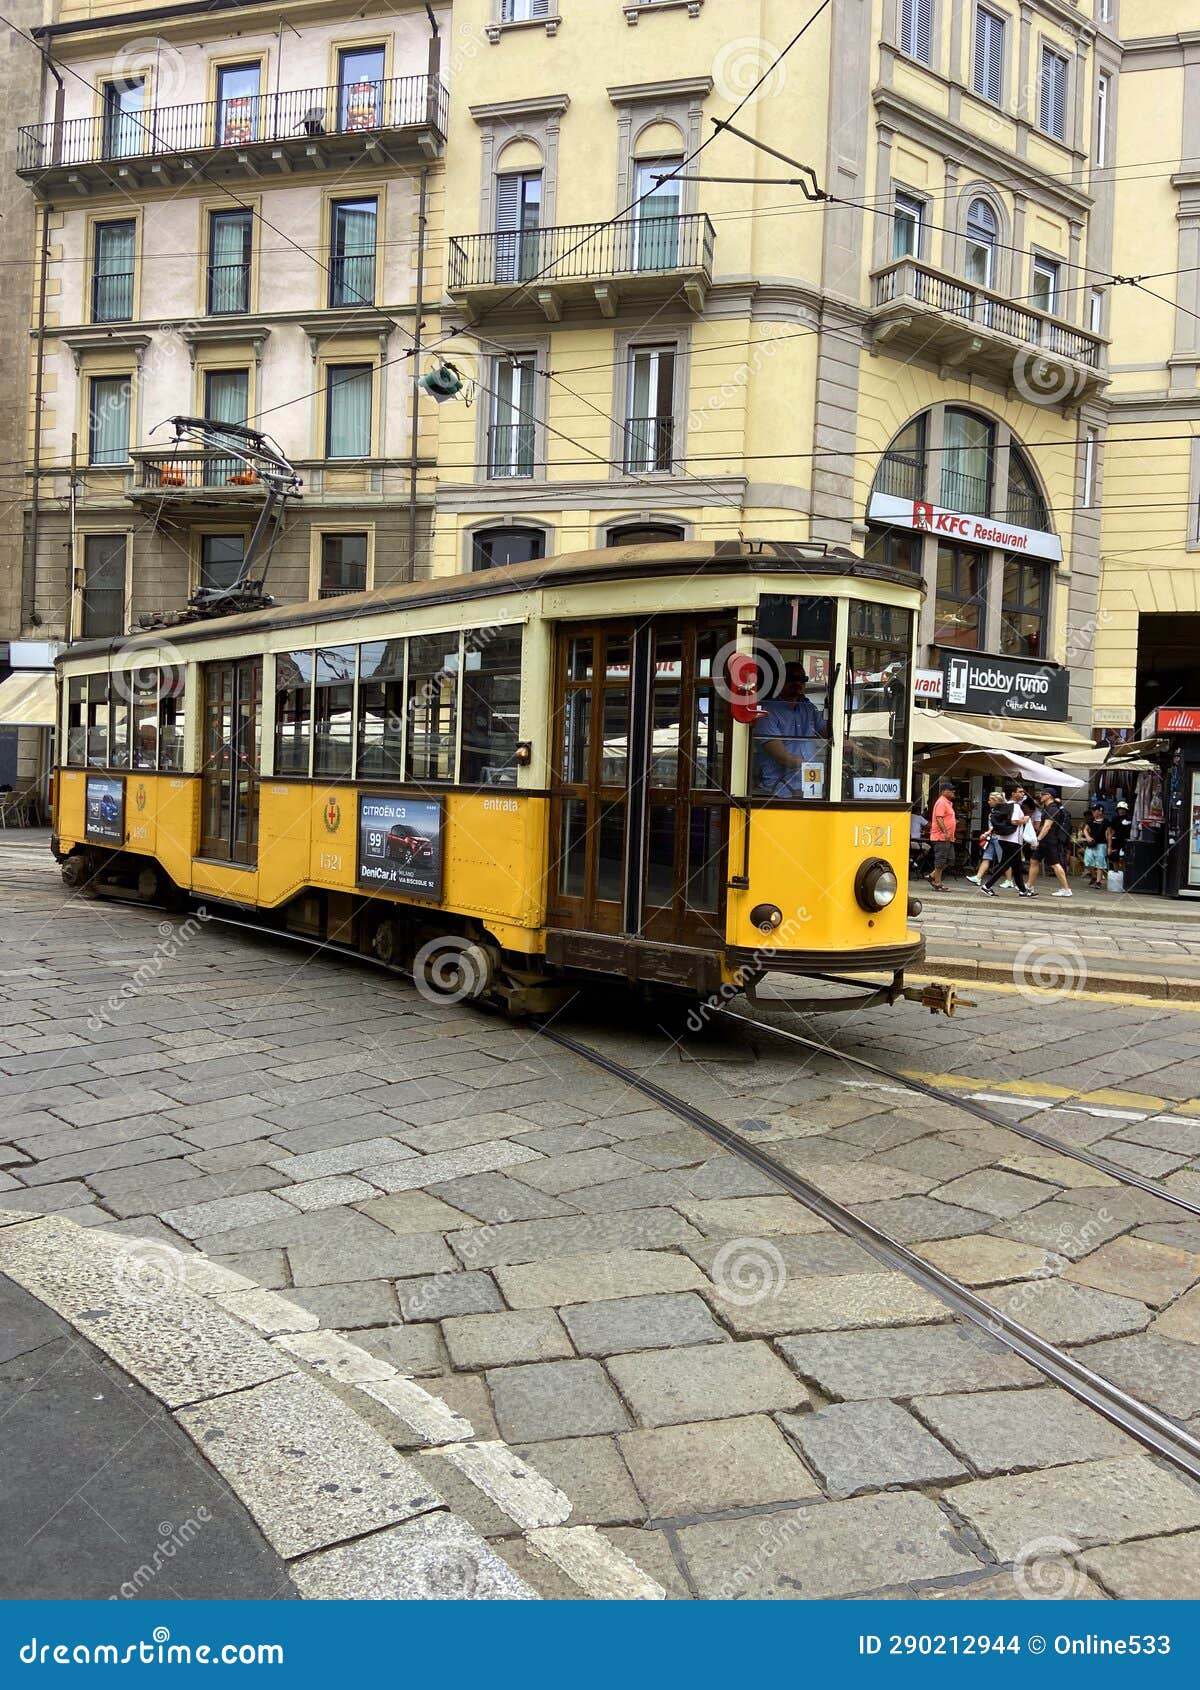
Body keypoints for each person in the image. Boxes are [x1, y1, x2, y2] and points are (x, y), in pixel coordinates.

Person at [754, 663, 828, 796]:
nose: (798, 682)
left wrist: (866, 755)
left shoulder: (809, 708)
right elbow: (783, 758)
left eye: (802, 679)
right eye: (792, 678)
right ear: (780, 681)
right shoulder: (767, 712)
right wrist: (818, 767)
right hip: (779, 792)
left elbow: (830, 734)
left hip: (810, 790)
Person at [979, 784, 1032, 896]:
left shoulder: (1005, 806)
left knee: (1017, 866)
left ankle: (1023, 891)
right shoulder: (1016, 807)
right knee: (1005, 865)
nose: (1023, 794)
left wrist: (989, 832)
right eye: (1020, 792)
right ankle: (987, 886)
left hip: (1004, 838)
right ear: (1013, 794)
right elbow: (1014, 821)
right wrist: (1025, 820)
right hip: (1013, 840)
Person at [1027, 786, 1074, 897]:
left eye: (1042, 794)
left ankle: (1066, 889)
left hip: (1048, 841)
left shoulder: (1052, 808)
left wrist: (1037, 840)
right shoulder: (1048, 807)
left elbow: (1047, 826)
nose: (1040, 796)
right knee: (1034, 861)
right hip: (1045, 840)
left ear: (1049, 796)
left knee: (1055, 864)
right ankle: (1029, 886)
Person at [926, 781, 957, 890]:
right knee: (941, 860)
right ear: (944, 791)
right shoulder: (941, 802)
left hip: (948, 837)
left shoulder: (948, 803)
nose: (953, 791)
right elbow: (939, 818)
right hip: (941, 837)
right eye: (950, 790)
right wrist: (945, 832)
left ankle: (932, 875)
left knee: (950, 859)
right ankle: (937, 883)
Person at [1082, 805, 1110, 888]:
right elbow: (1085, 829)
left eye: (1095, 811)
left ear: (1100, 811)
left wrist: (1109, 847)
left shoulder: (1106, 822)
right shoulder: (1091, 820)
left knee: (1100, 862)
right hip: (1091, 844)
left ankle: (1098, 882)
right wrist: (1087, 837)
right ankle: (1094, 876)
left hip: (1102, 844)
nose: (1093, 812)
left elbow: (1109, 835)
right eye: (1093, 811)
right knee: (1087, 860)